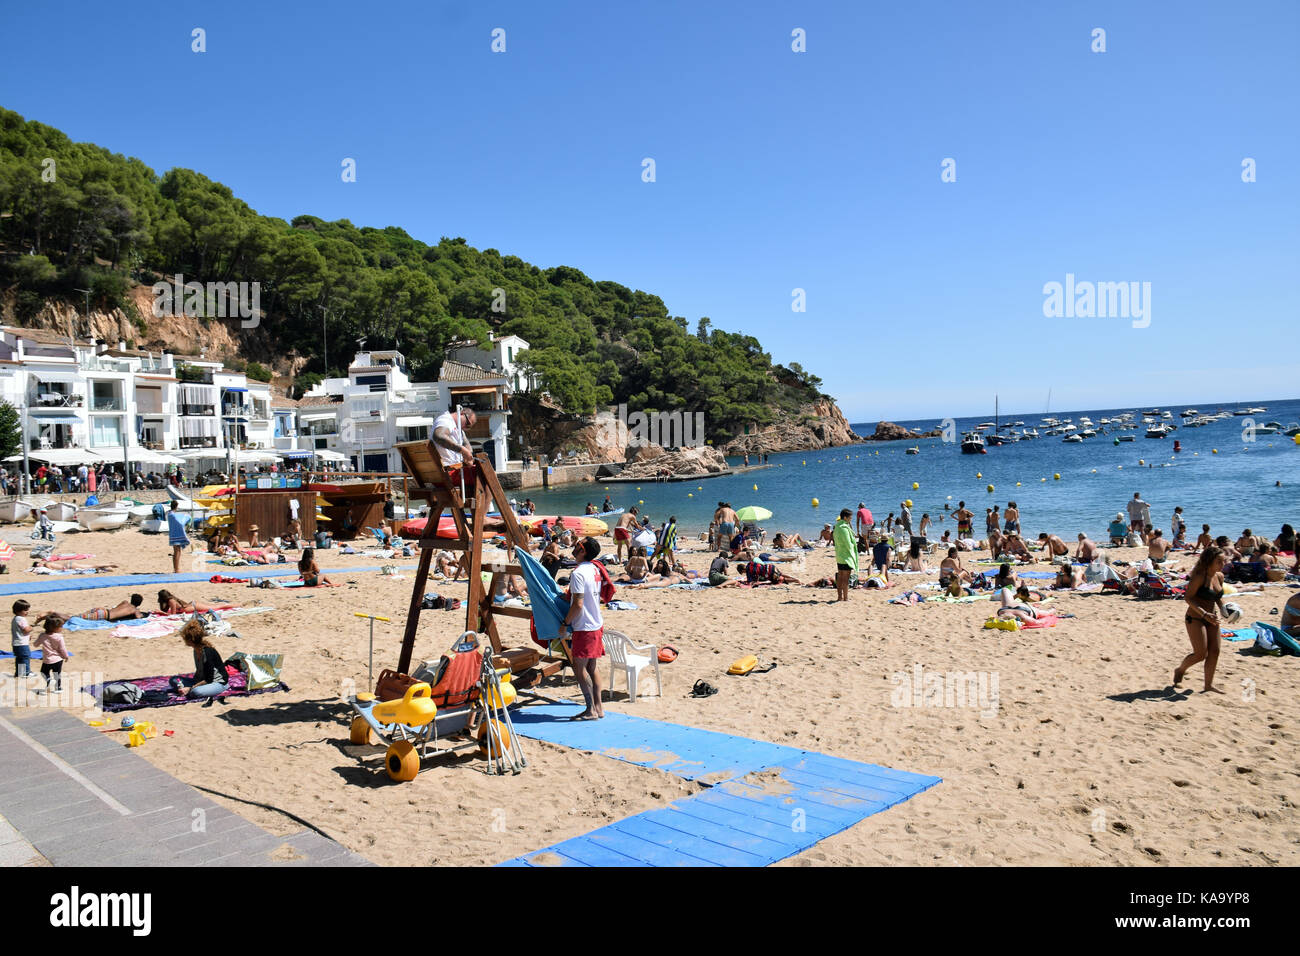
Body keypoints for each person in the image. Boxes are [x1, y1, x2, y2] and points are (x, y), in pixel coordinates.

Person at [564, 537, 606, 720]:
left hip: (584, 626)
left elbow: (578, 604)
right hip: (596, 623)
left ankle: (590, 710)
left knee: (579, 668)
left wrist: (565, 623)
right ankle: (599, 708)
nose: (574, 547)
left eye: (577, 545)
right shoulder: (595, 568)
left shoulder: (578, 573)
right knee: (592, 667)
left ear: (582, 551)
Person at [1176, 547, 1227, 693]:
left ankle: (1208, 685)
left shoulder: (1220, 576)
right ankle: (1180, 670)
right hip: (1196, 617)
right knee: (1200, 654)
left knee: (1215, 651)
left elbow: (1217, 598)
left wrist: (1225, 610)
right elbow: (1188, 597)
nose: (1222, 565)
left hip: (1212, 618)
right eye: (1219, 561)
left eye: (1223, 561)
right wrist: (1204, 614)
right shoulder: (1199, 576)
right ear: (1209, 562)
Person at [170, 618, 229, 703]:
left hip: (217, 683)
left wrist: (190, 688)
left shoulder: (207, 652)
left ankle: (189, 690)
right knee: (174, 680)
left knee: (195, 692)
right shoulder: (196, 650)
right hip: (200, 680)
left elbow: (209, 679)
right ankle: (188, 689)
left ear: (190, 640)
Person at [432, 405, 479, 503]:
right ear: (462, 414)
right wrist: (462, 450)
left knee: (481, 474)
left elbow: (466, 443)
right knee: (486, 475)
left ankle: (479, 515)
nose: (466, 428)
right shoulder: (446, 421)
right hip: (448, 474)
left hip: (442, 475)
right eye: (468, 424)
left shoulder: (456, 427)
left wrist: (468, 454)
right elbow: (438, 436)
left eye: (469, 427)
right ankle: (481, 516)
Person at [31, 615, 70, 692]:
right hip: (58, 659)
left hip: (47, 660)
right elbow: (62, 648)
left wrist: (35, 641)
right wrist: (66, 656)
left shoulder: (42, 636)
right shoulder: (59, 637)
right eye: (61, 626)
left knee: (43, 672)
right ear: (55, 628)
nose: (62, 628)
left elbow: (35, 645)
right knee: (57, 674)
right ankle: (58, 688)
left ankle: (49, 680)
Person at [832, 508, 857, 602]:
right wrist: (854, 547)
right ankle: (846, 598)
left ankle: (839, 597)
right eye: (850, 518)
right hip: (846, 556)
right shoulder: (844, 529)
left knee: (840, 577)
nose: (851, 519)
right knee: (846, 578)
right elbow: (848, 543)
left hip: (839, 555)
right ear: (845, 517)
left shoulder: (837, 527)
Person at [10, 599, 35, 680]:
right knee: (25, 657)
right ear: (18, 610)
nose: (27, 612)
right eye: (25, 610)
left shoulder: (15, 619)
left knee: (19, 658)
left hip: (16, 643)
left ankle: (19, 672)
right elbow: (26, 630)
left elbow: (20, 631)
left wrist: (28, 636)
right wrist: (31, 627)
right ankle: (26, 672)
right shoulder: (21, 619)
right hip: (22, 644)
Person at [77, 594, 146, 622]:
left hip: (102, 610)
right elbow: (138, 618)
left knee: (79, 616)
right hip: (104, 615)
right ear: (139, 603)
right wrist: (141, 614)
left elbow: (115, 608)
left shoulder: (125, 602)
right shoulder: (134, 610)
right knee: (76, 618)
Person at [167, 499, 191, 573]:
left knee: (178, 551)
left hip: (173, 534)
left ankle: (176, 568)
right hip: (176, 535)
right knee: (177, 552)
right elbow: (180, 522)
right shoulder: (172, 515)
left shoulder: (170, 514)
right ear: (176, 506)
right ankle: (176, 569)